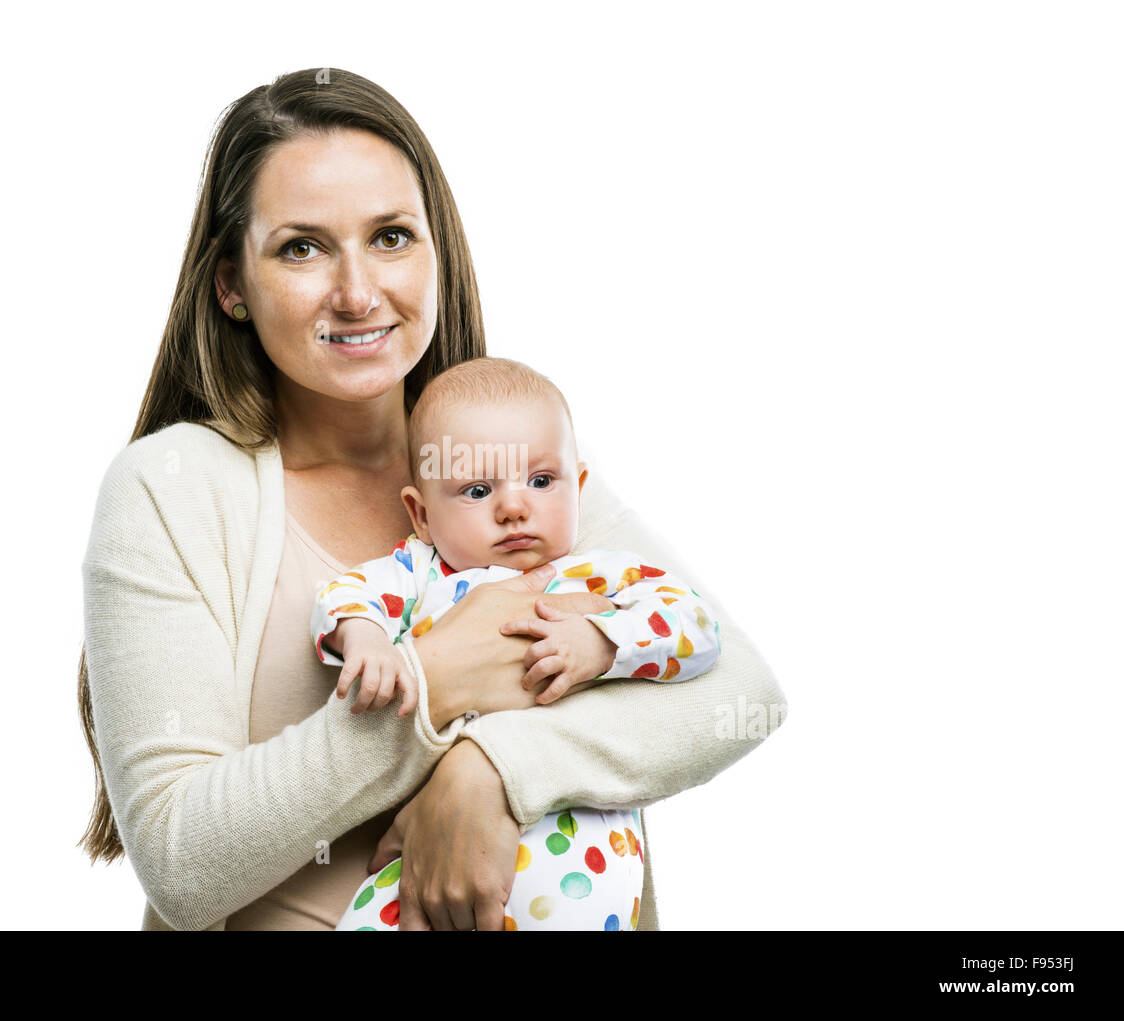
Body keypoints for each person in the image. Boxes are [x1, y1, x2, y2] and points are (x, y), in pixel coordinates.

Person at [77, 67, 788, 931]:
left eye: (391, 237)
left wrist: (489, 767)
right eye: (301, 246)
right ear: (231, 282)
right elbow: (181, 860)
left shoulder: (509, 460)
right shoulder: (172, 489)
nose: (357, 291)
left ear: (438, 251)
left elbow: (738, 686)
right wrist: (435, 680)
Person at [320, 357, 721, 930]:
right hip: (432, 858)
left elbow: (699, 628)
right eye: (478, 489)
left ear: (578, 489)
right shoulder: (421, 572)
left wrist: (605, 643)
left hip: (579, 853)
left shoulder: (599, 576)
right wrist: (366, 639)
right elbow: (346, 595)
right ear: (422, 513)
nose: (513, 507)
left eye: (540, 481)